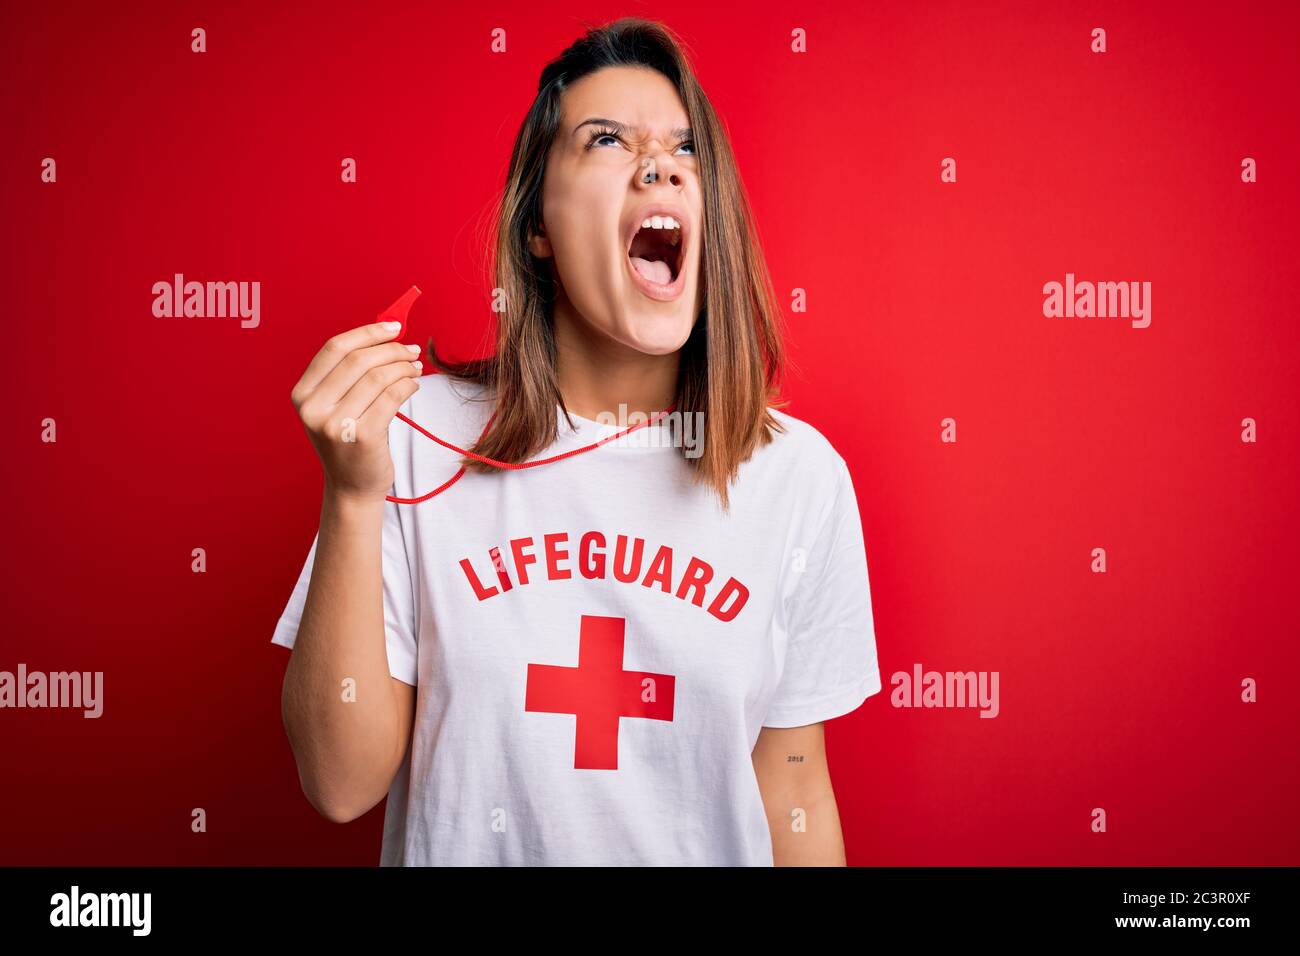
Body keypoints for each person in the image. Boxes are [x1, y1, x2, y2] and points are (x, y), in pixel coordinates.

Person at [272, 16, 881, 866]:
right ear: (539, 229)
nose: (661, 164)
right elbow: (340, 782)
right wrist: (351, 493)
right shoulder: (414, 435)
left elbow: (793, 785)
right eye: (606, 140)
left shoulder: (798, 479)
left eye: (684, 149)